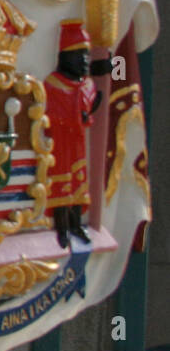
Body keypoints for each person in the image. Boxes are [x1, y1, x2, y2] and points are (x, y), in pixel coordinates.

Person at [45, 20, 108, 248]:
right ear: (65, 57)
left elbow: (87, 110)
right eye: (79, 55)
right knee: (61, 185)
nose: (84, 61)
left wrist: (91, 110)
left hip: (77, 144)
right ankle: (61, 227)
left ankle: (75, 224)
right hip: (60, 145)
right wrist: (74, 118)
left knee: (77, 184)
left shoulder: (86, 85)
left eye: (87, 56)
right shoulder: (52, 85)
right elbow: (50, 115)